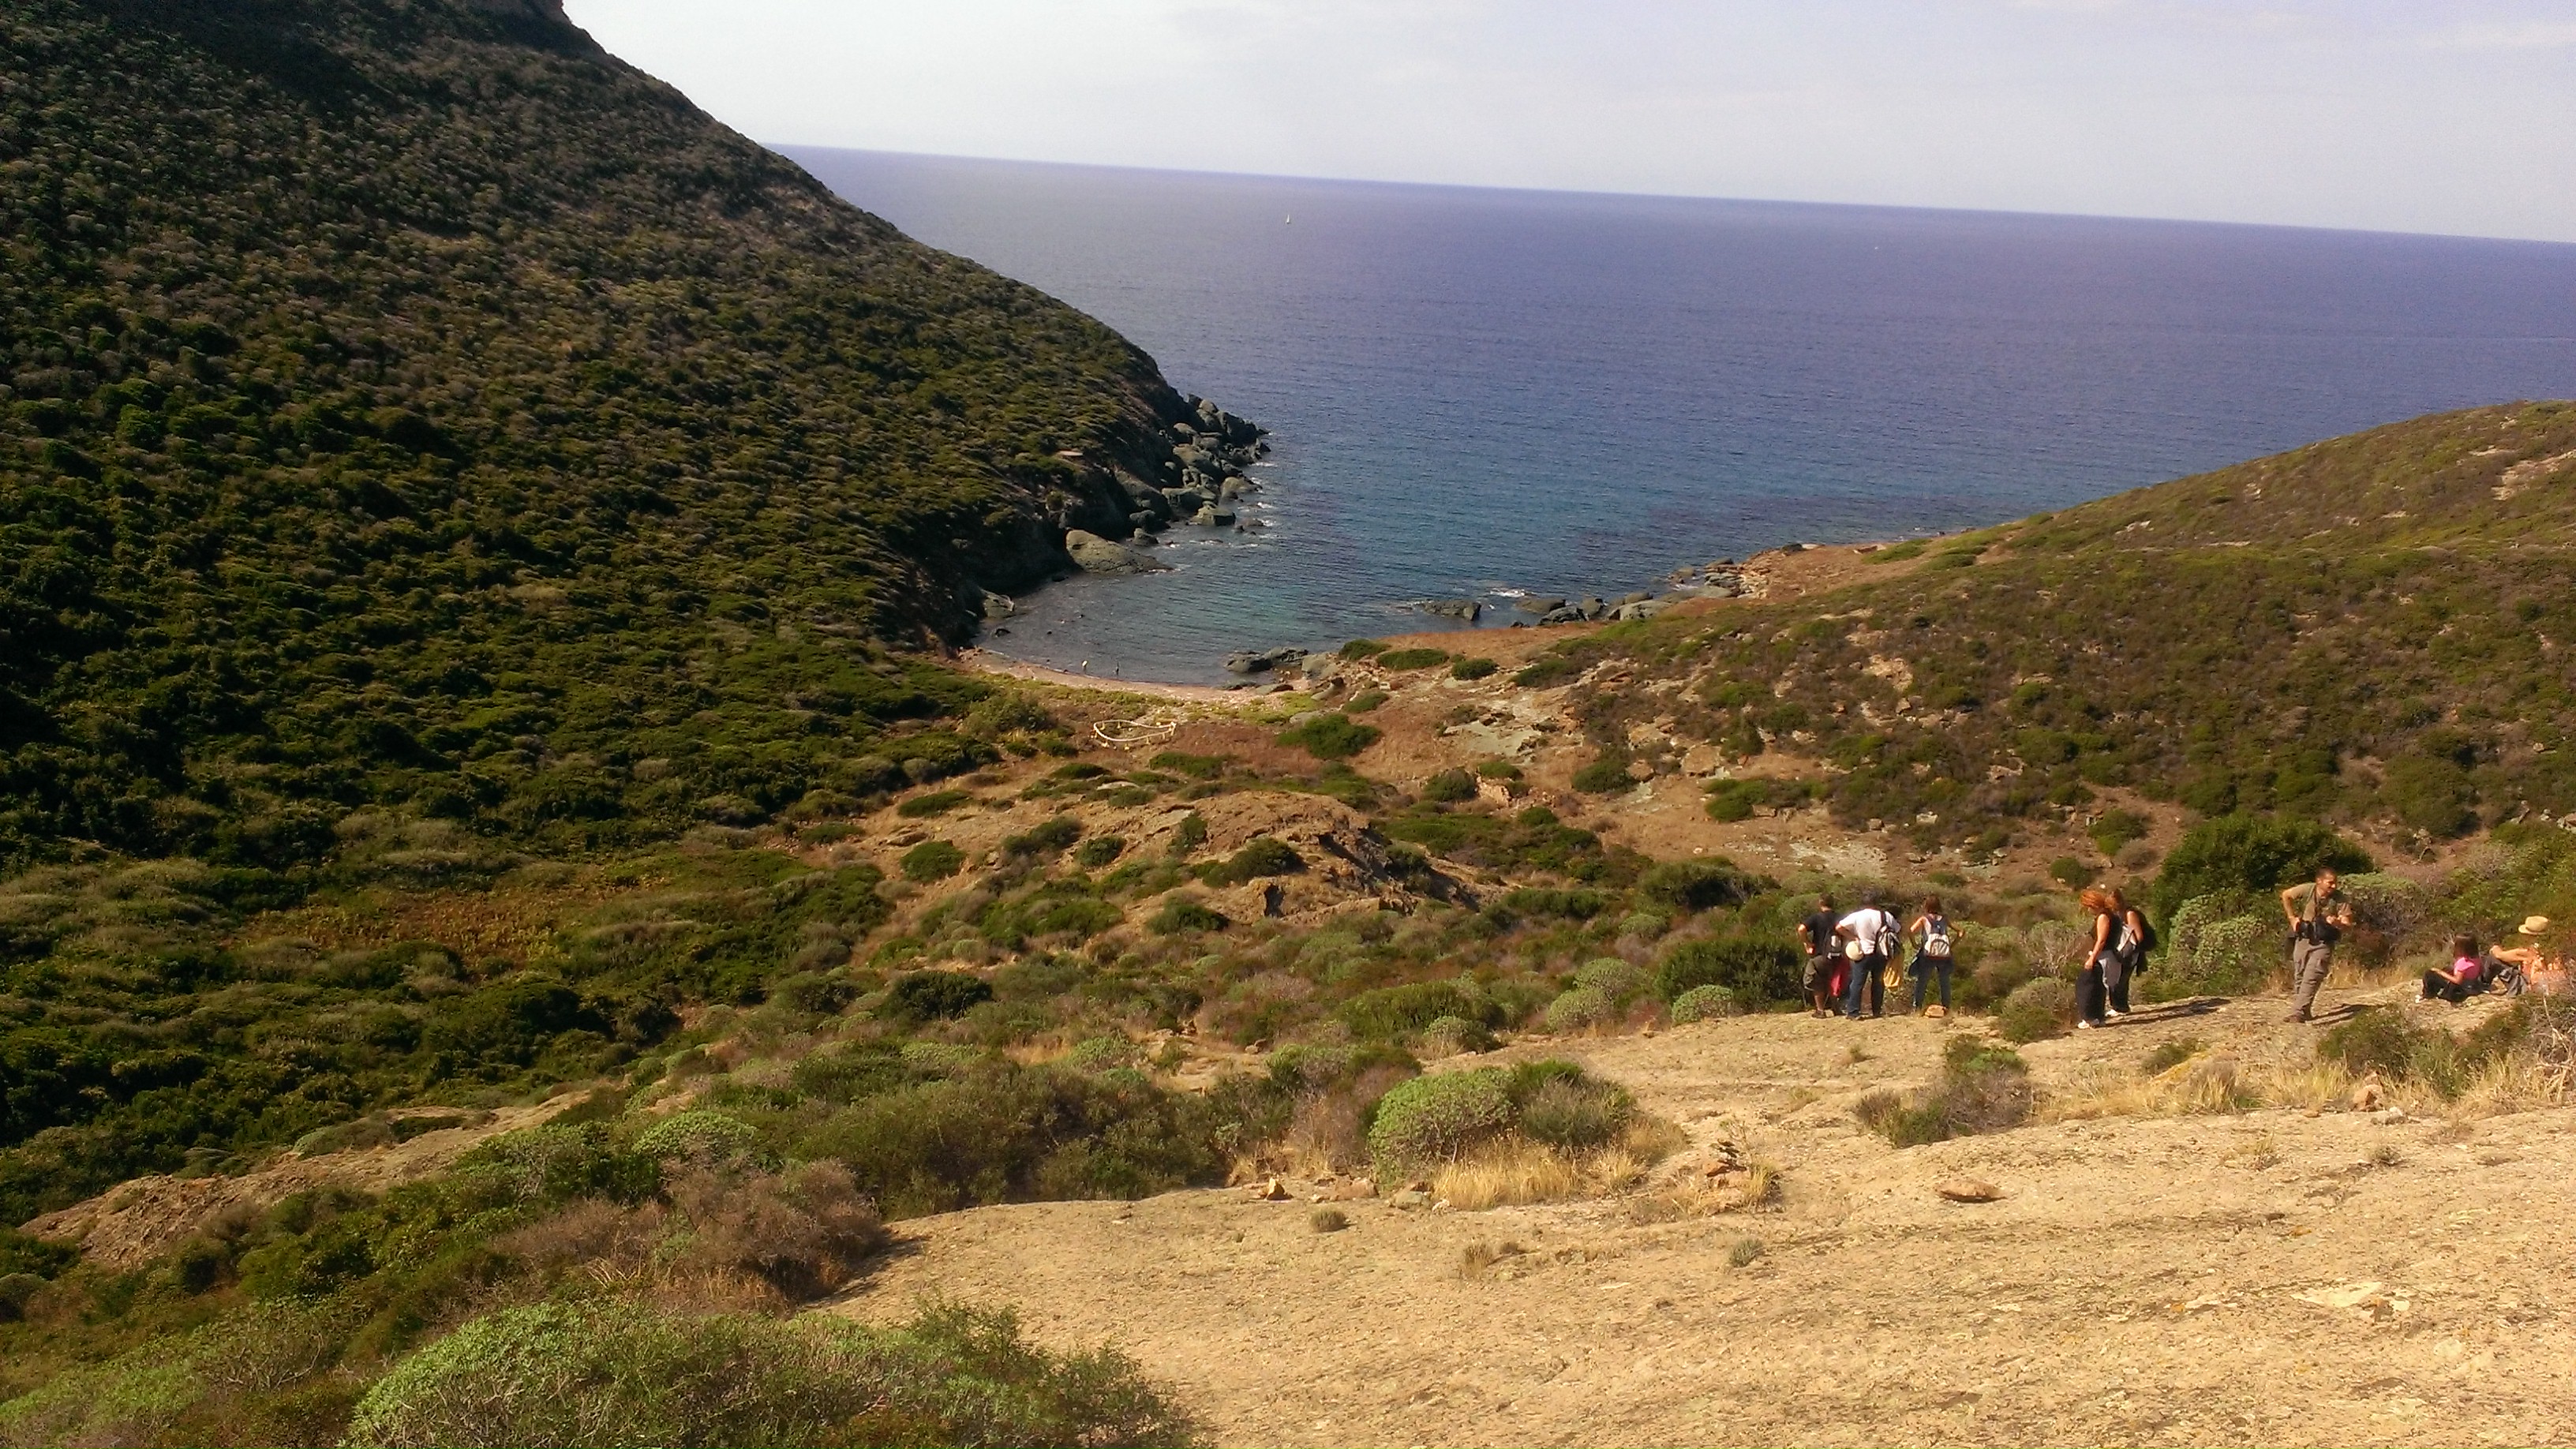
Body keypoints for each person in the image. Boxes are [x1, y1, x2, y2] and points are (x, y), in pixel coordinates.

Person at [2280, 867, 2355, 1024]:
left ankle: (2298, 1012)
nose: (2334, 886)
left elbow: (2348, 925)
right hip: (2303, 938)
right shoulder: (2308, 890)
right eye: (2330, 883)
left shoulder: (2340, 899)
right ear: (2319, 881)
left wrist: (2337, 923)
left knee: (2312, 976)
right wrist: (2292, 918)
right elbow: (2286, 895)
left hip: (2323, 942)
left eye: (2335, 883)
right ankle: (2305, 1010)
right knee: (2300, 975)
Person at [1837, 897, 1898, 1020]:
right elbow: (1897, 930)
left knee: (1857, 983)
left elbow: (1839, 927)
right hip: (1882, 953)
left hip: (1863, 952)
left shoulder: (1857, 916)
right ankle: (1877, 1011)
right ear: (1875, 903)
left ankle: (1853, 1012)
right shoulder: (1886, 915)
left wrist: (1853, 937)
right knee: (1878, 983)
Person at [2076, 886, 2121, 1028]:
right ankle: (2096, 1016)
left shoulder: (2103, 917)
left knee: (2090, 987)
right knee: (2097, 987)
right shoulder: (2111, 915)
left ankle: (2091, 1016)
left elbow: (2101, 940)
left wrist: (2092, 958)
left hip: (2103, 956)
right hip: (2107, 955)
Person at [1907, 896, 1955, 1015]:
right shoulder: (1944, 919)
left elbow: (1910, 931)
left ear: (1926, 906)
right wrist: (1952, 946)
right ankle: (1946, 1007)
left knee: (1922, 981)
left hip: (1928, 954)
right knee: (1944, 981)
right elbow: (1961, 932)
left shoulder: (1924, 919)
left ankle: (1917, 1008)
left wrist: (1915, 944)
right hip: (1944, 955)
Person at [1797, 894, 1840, 1019]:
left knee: (1817, 982)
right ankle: (1837, 1008)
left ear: (1820, 903)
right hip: (1837, 954)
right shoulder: (1839, 917)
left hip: (1820, 954)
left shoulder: (1816, 918)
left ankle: (1820, 1010)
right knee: (1834, 981)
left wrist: (1807, 943)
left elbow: (1801, 929)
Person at [2423, 934, 2484, 1004]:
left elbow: (2457, 981)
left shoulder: (2463, 962)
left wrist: (2439, 972)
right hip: (2471, 985)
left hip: (2460, 989)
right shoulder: (2477, 959)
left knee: (2429, 974)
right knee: (2448, 969)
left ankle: (2428, 994)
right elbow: (2481, 971)